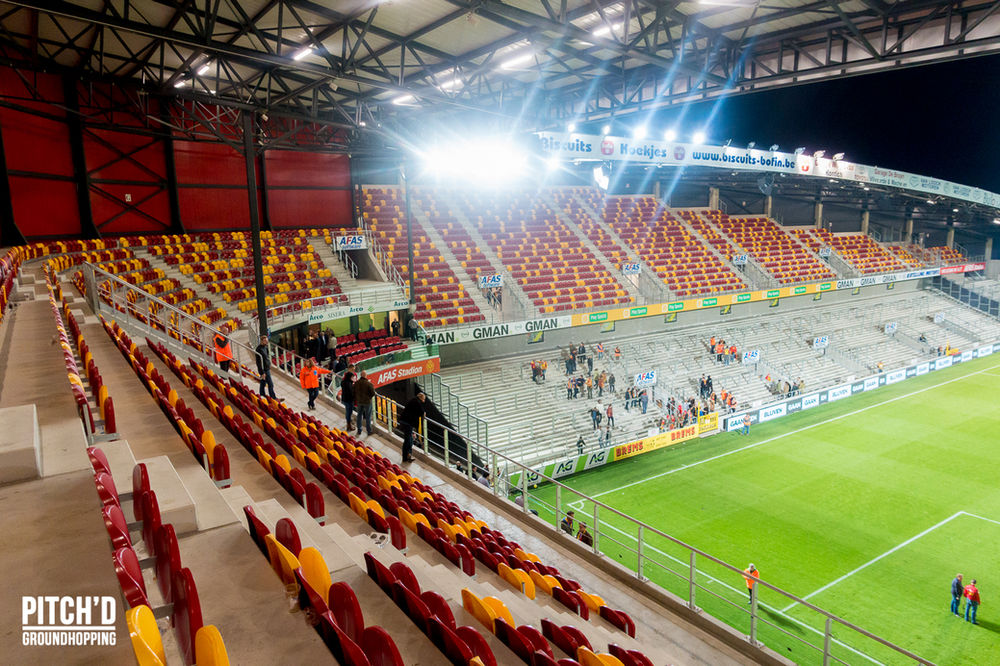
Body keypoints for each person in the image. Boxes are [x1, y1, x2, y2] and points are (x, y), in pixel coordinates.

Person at [399, 392, 426, 463]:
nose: (424, 401)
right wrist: (424, 413)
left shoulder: (413, 400)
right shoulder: (417, 402)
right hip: (408, 423)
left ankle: (408, 456)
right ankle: (406, 457)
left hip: (404, 421)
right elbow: (421, 412)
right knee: (408, 441)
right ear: (421, 398)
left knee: (409, 440)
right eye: (423, 399)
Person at [254, 334, 278, 399]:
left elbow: (266, 357)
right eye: (265, 341)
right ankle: (273, 398)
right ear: (261, 341)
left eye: (267, 340)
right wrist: (262, 373)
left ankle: (262, 395)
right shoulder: (258, 349)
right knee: (270, 384)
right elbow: (258, 362)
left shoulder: (265, 347)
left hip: (267, 368)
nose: (267, 342)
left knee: (263, 383)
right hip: (264, 370)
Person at [353, 371, 376, 436]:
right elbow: (373, 393)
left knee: (359, 415)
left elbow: (353, 391)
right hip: (367, 402)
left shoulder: (356, 383)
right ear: (365, 376)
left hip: (359, 402)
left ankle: (359, 430)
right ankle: (369, 431)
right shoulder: (369, 384)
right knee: (368, 417)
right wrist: (369, 397)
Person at [340, 364, 356, 430]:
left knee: (347, 411)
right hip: (349, 400)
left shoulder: (344, 382)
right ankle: (348, 425)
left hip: (344, 399)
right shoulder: (349, 384)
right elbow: (350, 392)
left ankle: (348, 423)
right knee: (349, 412)